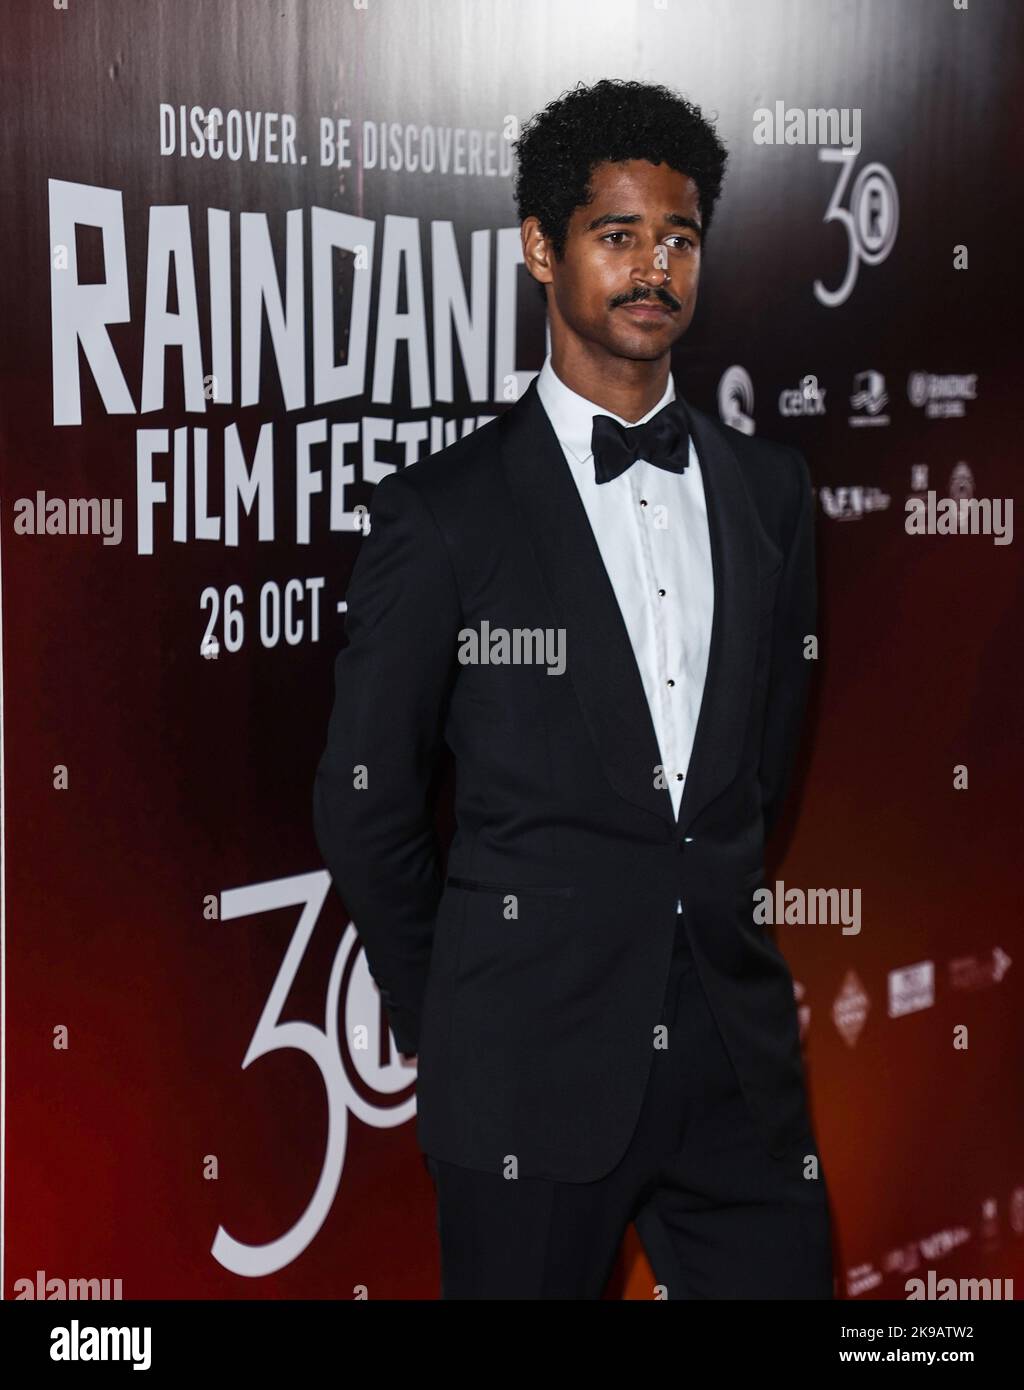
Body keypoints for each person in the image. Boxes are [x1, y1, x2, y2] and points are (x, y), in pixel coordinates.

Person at [313, 77, 833, 1299]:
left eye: (680, 238)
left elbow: (760, 764)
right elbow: (363, 799)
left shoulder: (770, 494)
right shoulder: (444, 516)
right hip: (523, 1080)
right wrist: (458, 1021)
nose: (654, 268)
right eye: (618, 236)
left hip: (736, 1070)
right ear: (542, 250)